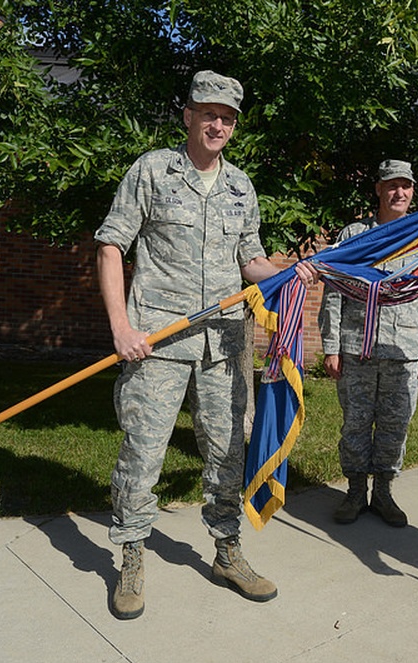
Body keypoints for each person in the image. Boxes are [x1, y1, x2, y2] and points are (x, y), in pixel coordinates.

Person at [95, 70, 314, 620]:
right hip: (158, 342)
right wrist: (122, 327)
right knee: (143, 452)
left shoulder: (241, 187)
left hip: (223, 343)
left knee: (226, 452)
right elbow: (110, 246)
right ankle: (132, 555)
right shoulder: (151, 170)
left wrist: (288, 271)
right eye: (209, 113)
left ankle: (227, 551)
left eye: (229, 117)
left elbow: (251, 262)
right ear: (188, 115)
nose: (218, 124)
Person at [317, 160, 418, 528]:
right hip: (357, 347)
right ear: (378, 189)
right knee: (355, 424)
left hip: (404, 351)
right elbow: (335, 289)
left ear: (413, 191)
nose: (399, 192)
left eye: (406, 186)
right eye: (392, 185)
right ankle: (356, 491)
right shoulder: (356, 234)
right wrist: (331, 344)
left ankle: (384, 492)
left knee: (395, 425)